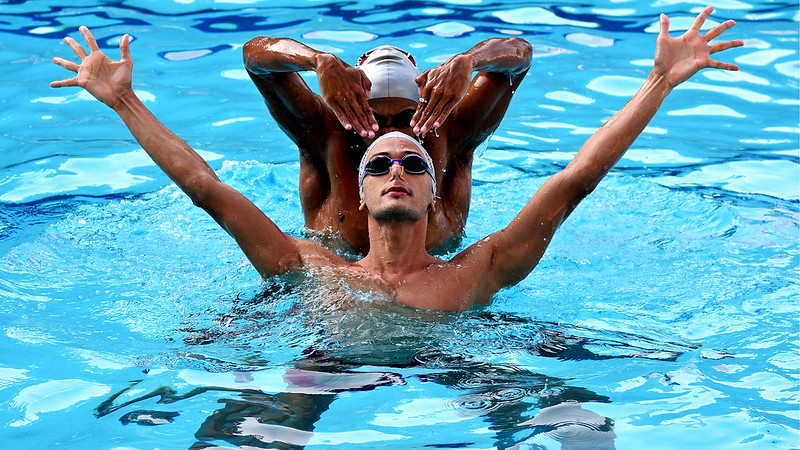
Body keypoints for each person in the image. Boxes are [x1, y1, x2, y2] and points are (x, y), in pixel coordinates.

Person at [50, 6, 742, 312]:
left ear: (437, 187)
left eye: (412, 161)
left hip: (457, 357)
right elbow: (204, 185)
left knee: (544, 395)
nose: (396, 168)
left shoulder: (481, 266)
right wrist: (122, 102)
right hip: (324, 354)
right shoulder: (308, 265)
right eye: (378, 163)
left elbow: (576, 177)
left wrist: (659, 81)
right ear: (357, 180)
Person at [243, 35, 533, 254]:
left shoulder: (450, 133)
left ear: (427, 108)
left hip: (440, 292)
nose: (389, 134)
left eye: (406, 117)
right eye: (373, 119)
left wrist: (469, 60)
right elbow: (255, 59)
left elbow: (519, 57)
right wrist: (317, 60)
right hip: (332, 294)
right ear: (349, 109)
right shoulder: (326, 133)